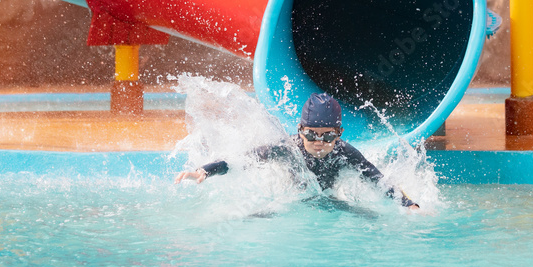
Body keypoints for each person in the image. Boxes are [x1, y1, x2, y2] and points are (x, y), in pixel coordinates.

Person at [174, 92, 419, 210]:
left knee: (369, 218)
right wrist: (205, 170)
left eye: (328, 135)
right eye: (311, 134)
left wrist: (409, 205)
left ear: (339, 133)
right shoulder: (287, 148)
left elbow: (378, 180)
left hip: (331, 201)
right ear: (300, 130)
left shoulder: (346, 153)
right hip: (293, 202)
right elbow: (240, 161)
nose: (319, 142)